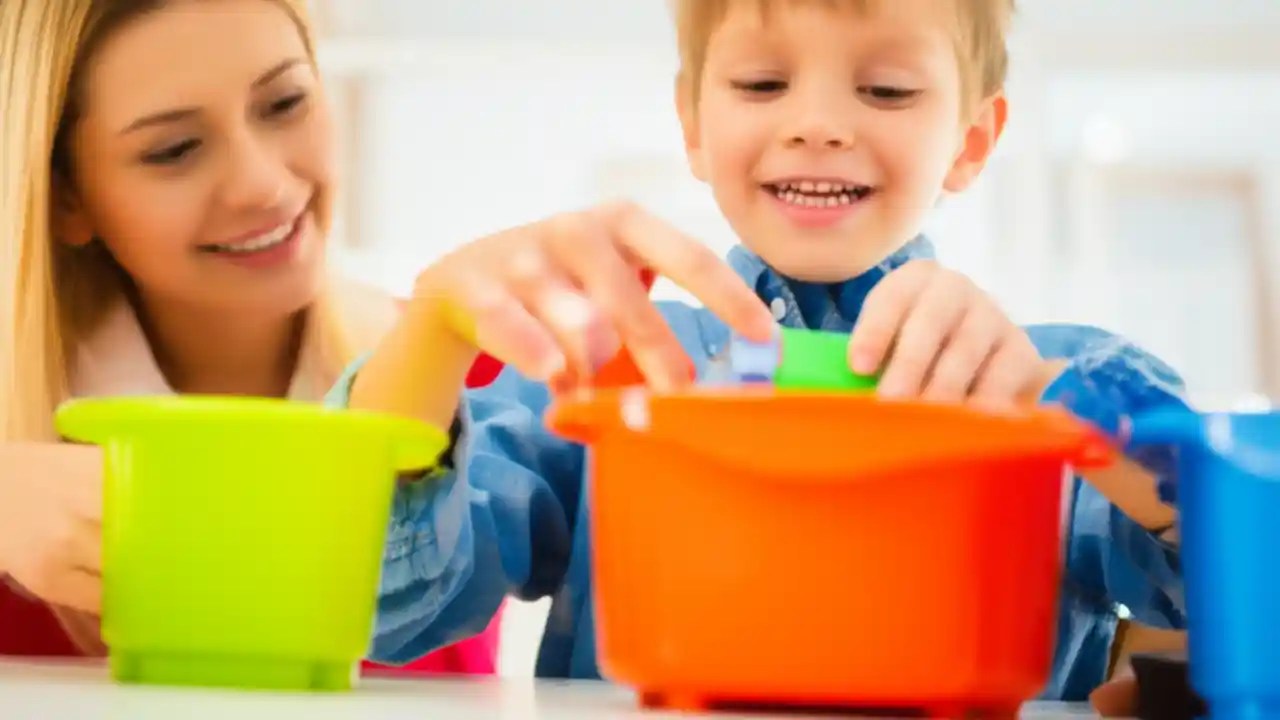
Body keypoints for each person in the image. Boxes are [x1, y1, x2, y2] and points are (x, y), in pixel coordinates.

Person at [338, 0, 1184, 700]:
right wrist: (433, 331)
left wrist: (1060, 409)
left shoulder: (1058, 387)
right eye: (762, 82)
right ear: (694, 124)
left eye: (886, 89)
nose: (816, 125)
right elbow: (382, 606)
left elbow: (1238, 577)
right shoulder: (605, 372)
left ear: (970, 141)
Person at [0, 0, 499, 673]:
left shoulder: (479, 372)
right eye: (173, 150)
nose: (263, 185)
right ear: (66, 197)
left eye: (285, 103)